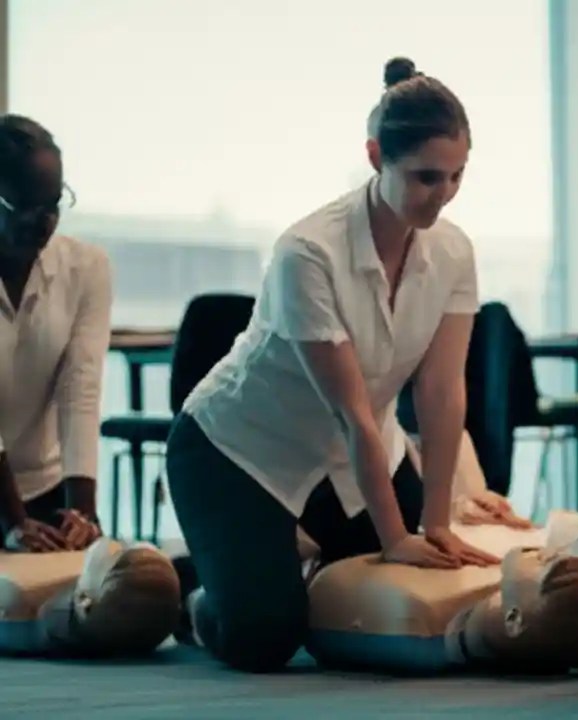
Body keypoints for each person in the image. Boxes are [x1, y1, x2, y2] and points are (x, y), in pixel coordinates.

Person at [165, 56, 500, 673]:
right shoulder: (307, 252)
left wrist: (434, 523)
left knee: (404, 596)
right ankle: (192, 587)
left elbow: (441, 391)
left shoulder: (453, 251)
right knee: (263, 638)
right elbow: (350, 412)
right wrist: (396, 539)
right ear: (376, 157)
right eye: (426, 177)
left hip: (355, 455)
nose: (443, 195)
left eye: (457, 176)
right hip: (239, 452)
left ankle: (272, 561)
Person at [0, 114, 108, 554]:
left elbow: (80, 391)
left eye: (54, 204)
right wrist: (12, 522)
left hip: (44, 486)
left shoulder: (86, 267)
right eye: (25, 206)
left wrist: (81, 513)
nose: (43, 222)